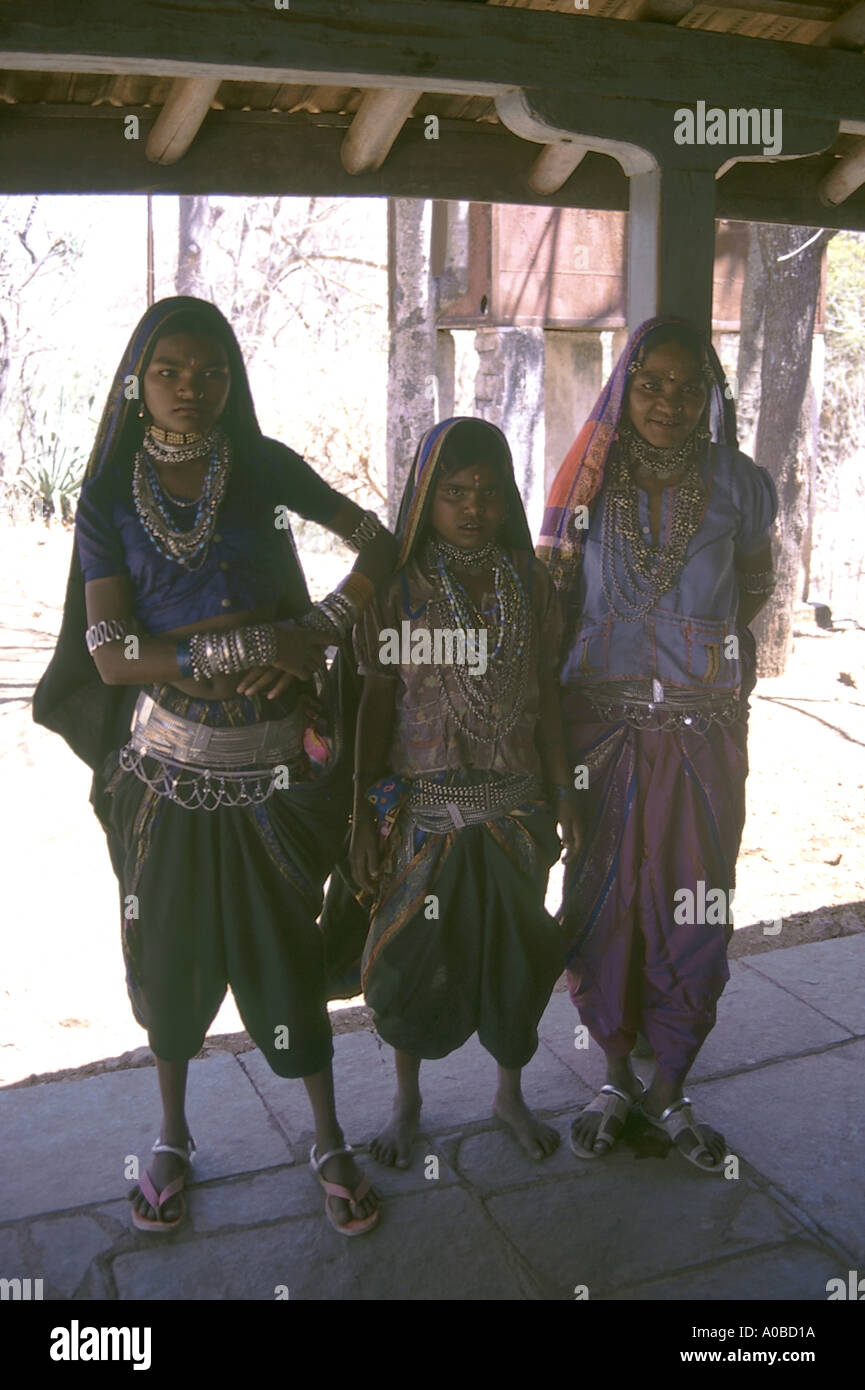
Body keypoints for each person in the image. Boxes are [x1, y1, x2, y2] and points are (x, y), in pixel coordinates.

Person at [33, 296, 396, 1236]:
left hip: (276, 769)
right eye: (168, 372)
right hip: (164, 771)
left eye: (209, 374)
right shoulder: (110, 495)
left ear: (231, 381)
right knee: (168, 951)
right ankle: (171, 1138)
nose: (189, 390)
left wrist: (315, 629)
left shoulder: (265, 469)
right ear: (137, 384)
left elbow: (380, 544)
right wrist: (238, 647)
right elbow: (111, 651)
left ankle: (325, 1138)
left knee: (283, 947)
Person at [537, 317, 777, 1172]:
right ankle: (610, 1073)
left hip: (702, 733)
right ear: (624, 387)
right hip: (597, 732)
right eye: (650, 385)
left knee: (694, 901)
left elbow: (752, 588)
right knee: (601, 899)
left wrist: (689, 665)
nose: (668, 403)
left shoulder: (741, 486)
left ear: (708, 393)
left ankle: (670, 1081)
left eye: (686, 388)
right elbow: (554, 600)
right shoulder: (589, 478)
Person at [349, 417, 580, 1167]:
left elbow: (545, 690)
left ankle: (509, 1095)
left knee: (514, 957)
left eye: (486, 491)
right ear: (424, 497)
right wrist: (358, 814)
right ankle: (406, 1103)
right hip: (422, 816)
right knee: (412, 959)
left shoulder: (528, 581)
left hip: (515, 809)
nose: (472, 507)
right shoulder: (398, 589)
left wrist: (562, 788)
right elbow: (374, 702)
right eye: (453, 493)